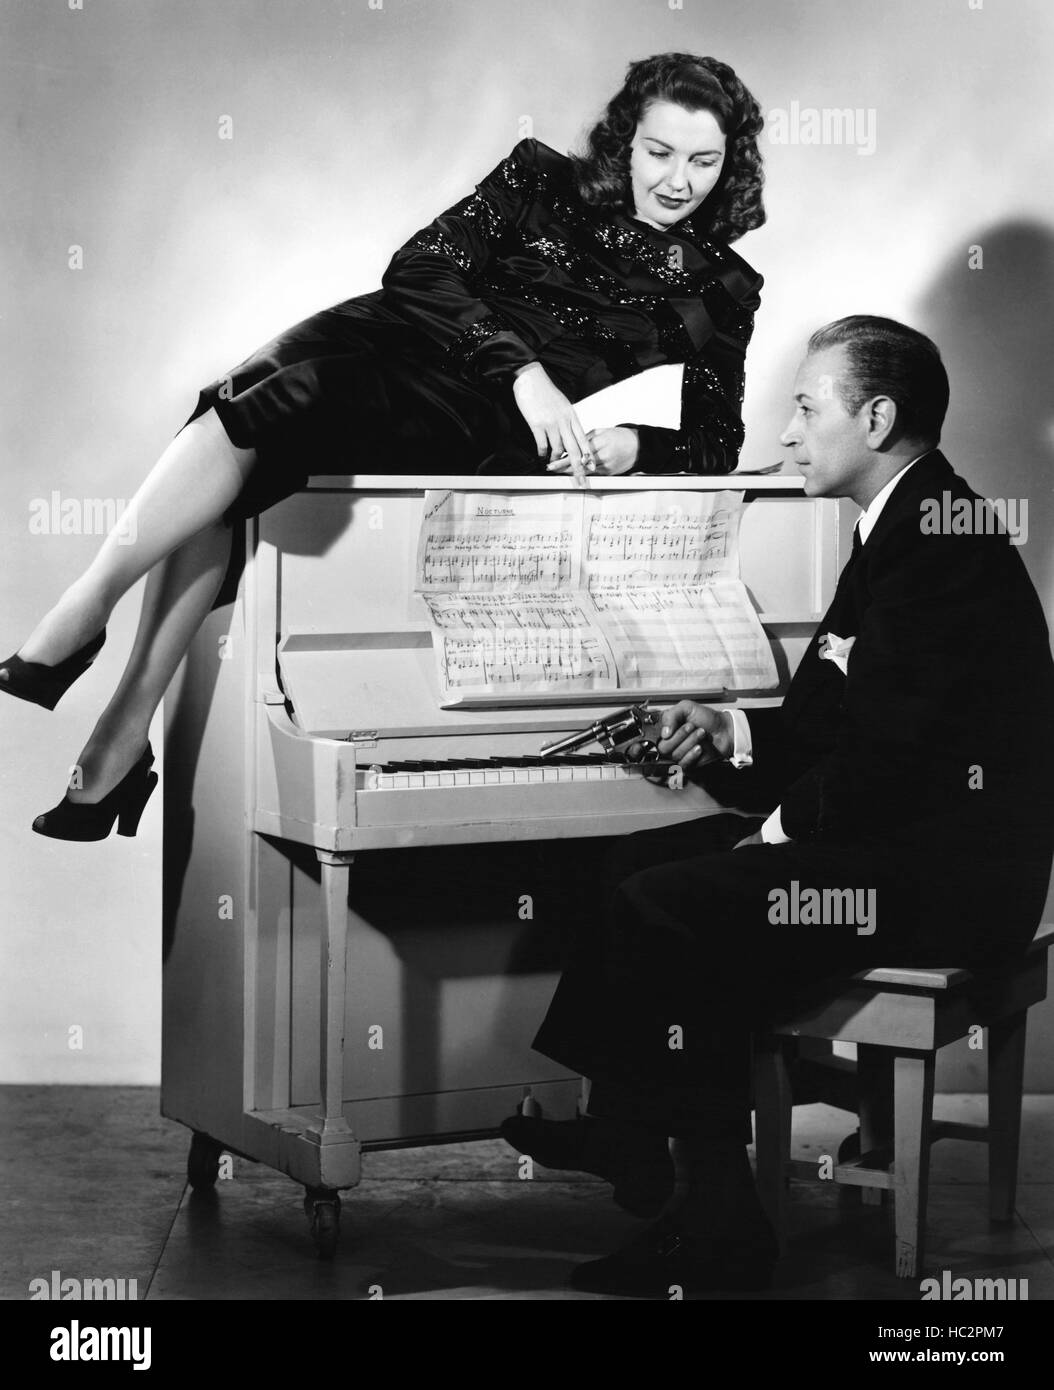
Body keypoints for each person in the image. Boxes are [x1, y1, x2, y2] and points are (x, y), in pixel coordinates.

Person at [0, 51, 766, 842]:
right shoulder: (542, 178)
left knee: (279, 410)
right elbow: (423, 268)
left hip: (470, 416)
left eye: (703, 161)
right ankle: (109, 669)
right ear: (625, 143)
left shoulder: (723, 288)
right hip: (399, 332)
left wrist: (635, 445)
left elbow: (716, 437)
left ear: (729, 163)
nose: (678, 180)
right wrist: (526, 369)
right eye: (659, 152)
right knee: (250, 398)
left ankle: (95, 660)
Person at [503, 315, 1054, 1296]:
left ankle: (710, 1215)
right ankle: (632, 1134)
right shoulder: (900, 522)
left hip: (944, 882)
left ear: (875, 415)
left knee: (669, 903)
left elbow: (894, 758)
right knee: (627, 863)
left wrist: (774, 827)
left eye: (807, 406)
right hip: (898, 851)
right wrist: (732, 730)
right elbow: (833, 716)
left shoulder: (939, 540)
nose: (788, 431)